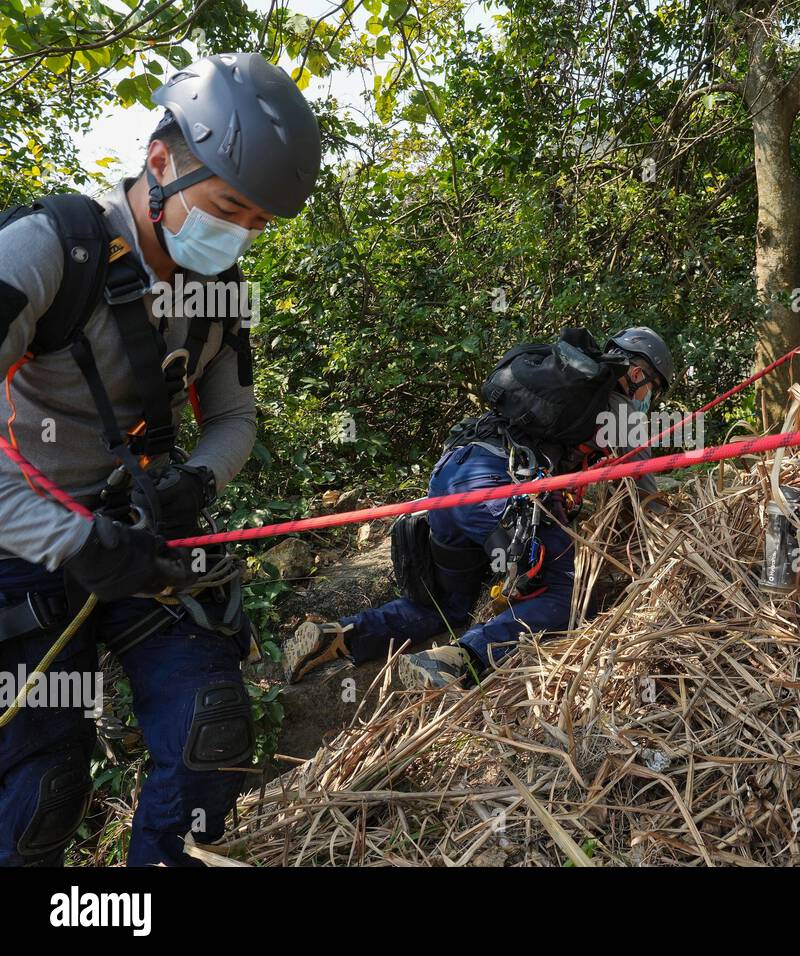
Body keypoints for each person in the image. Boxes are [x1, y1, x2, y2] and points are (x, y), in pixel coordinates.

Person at [0, 53, 321, 866]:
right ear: (159, 161)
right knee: (38, 794)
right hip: (24, 553)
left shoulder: (221, 299)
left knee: (211, 729)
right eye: (227, 207)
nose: (241, 234)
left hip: (145, 540)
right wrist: (67, 540)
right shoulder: (47, 250)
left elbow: (234, 416)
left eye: (260, 224)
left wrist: (197, 481)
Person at [285, 327, 676, 691]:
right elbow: (647, 498)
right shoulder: (620, 410)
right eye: (652, 389)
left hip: (449, 482)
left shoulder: (561, 383)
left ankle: (339, 634)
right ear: (638, 373)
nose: (648, 402)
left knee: (446, 607)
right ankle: (461, 658)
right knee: (566, 592)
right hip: (497, 490)